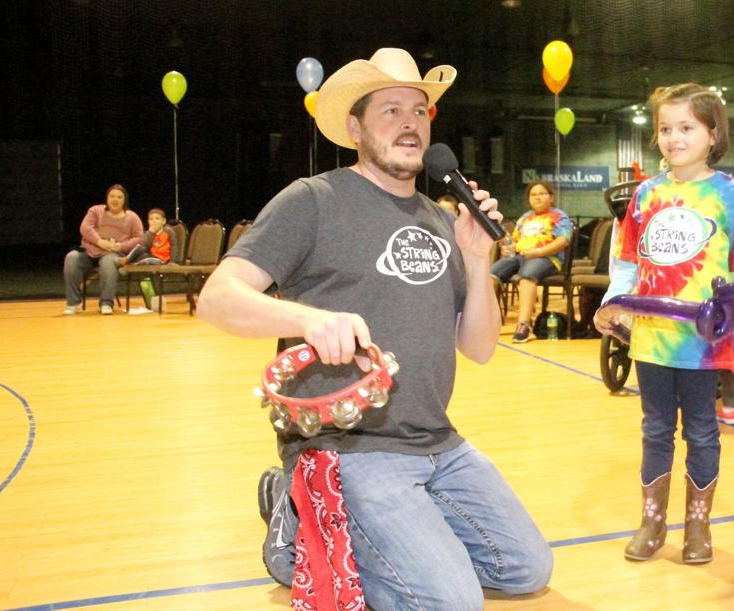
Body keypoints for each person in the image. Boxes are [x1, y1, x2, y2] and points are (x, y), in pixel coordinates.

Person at [197, 48, 552, 610]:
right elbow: (217, 299)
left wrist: (476, 256)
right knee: (452, 603)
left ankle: (343, 525)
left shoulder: (443, 219)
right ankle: (300, 525)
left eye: (418, 111)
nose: (409, 123)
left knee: (526, 569)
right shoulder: (314, 200)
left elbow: (480, 348)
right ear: (355, 128)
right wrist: (310, 319)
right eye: (390, 110)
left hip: (439, 442)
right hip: (348, 445)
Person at [594, 83, 734, 565]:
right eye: (665, 129)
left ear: (713, 134)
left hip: (703, 341)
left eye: (686, 127)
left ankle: (699, 526)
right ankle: (652, 522)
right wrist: (614, 302)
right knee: (656, 429)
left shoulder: (730, 194)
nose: (674, 138)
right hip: (652, 339)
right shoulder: (646, 194)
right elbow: (627, 263)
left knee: (701, 431)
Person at [490, 180, 572, 342]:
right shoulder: (524, 218)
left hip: (547, 257)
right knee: (490, 274)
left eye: (542, 194)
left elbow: (563, 241)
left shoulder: (560, 216)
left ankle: (524, 325)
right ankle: (488, 321)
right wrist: (508, 249)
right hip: (520, 256)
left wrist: (538, 251)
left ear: (551, 197)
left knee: (526, 276)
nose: (537, 197)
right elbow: (514, 242)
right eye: (533, 195)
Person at [62, 184, 144, 315]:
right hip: (90, 251)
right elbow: (85, 228)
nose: (115, 200)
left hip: (113, 253)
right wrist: (99, 242)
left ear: (124, 200)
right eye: (112, 196)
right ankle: (73, 302)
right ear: (107, 198)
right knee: (71, 257)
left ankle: (106, 303)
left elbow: (139, 238)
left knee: (108, 262)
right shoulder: (95, 211)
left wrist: (121, 246)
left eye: (119, 197)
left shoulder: (132, 217)